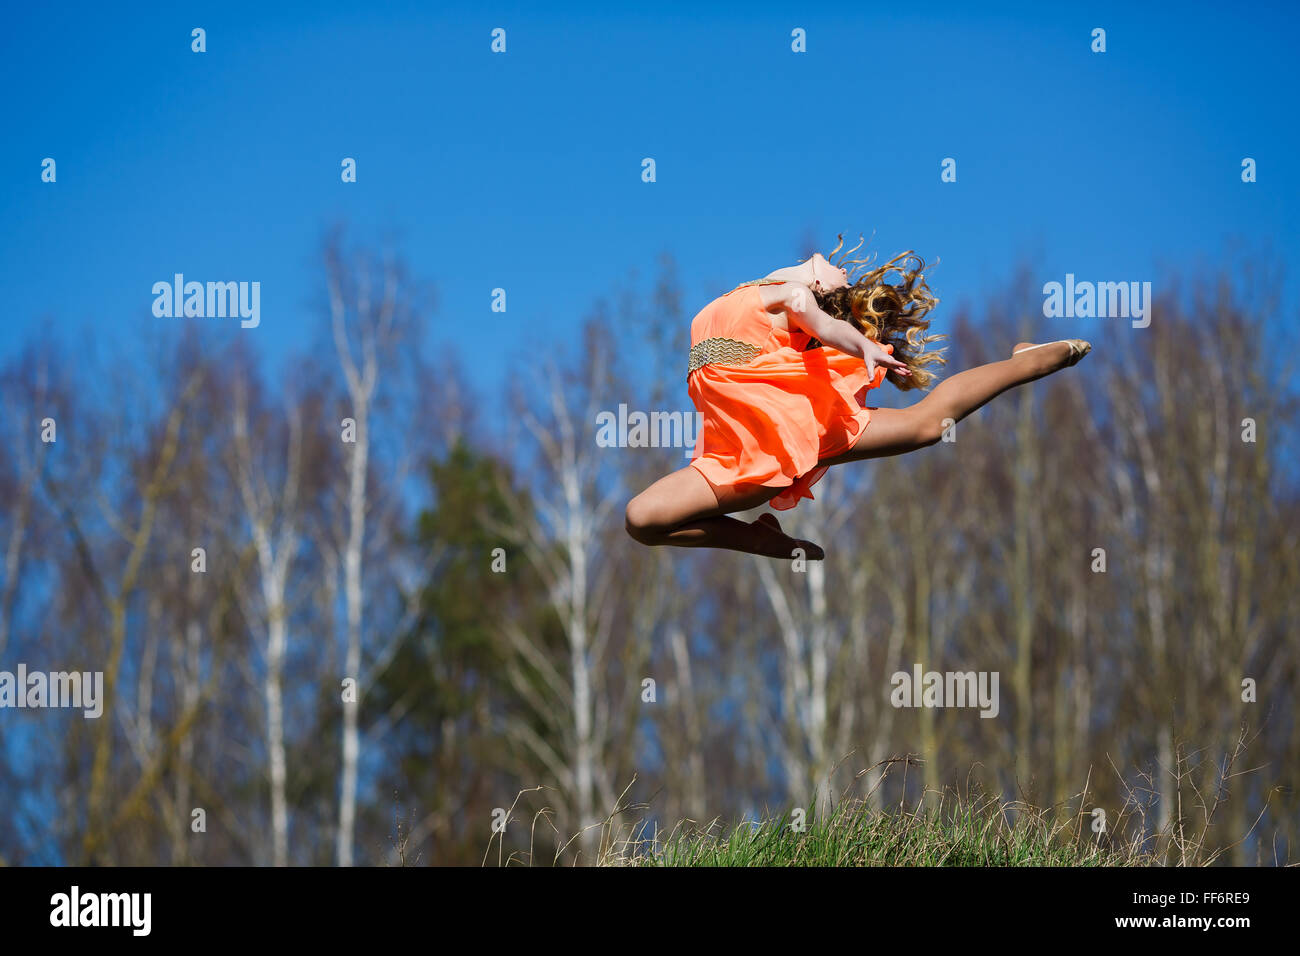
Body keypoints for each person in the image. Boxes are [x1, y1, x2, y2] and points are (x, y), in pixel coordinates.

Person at [624, 236, 1090, 559]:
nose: (830, 260)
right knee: (641, 521)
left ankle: (1028, 362)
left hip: (798, 427)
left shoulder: (789, 298)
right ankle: (761, 540)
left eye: (834, 272)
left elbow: (823, 324)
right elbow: (807, 278)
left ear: (821, 290)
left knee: (927, 426)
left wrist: (863, 344)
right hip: (734, 452)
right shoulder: (755, 289)